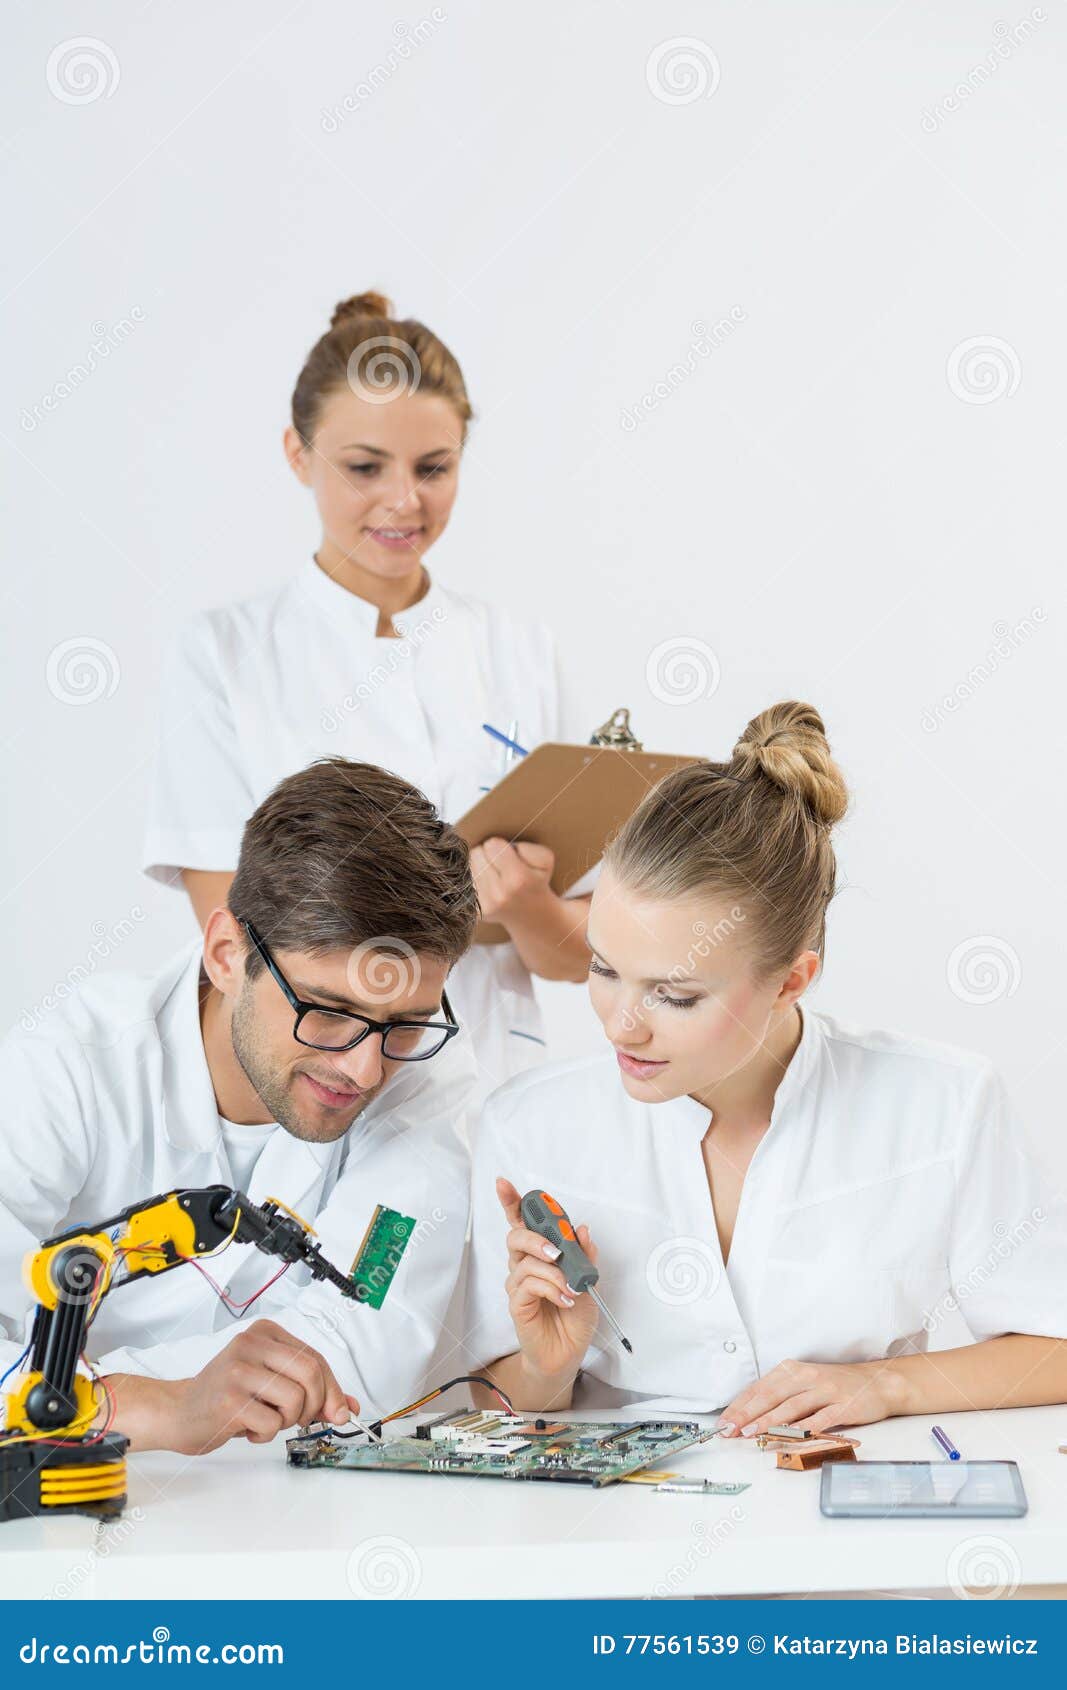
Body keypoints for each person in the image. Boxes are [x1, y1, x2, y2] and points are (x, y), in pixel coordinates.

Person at [464, 702, 1067, 1432]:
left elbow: (1054, 1343)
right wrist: (544, 1367)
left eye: (674, 994)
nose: (621, 1023)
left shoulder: (943, 1104)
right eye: (603, 967)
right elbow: (489, 1396)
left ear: (791, 979)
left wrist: (885, 1386)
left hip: (847, 1520)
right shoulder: (527, 1126)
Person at [142, 290, 590, 1104]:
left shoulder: (521, 652)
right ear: (296, 454)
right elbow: (244, 940)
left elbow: (581, 954)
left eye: (433, 468)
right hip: (323, 1077)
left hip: (499, 1078)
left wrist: (526, 910)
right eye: (363, 467)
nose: (402, 502)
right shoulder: (223, 653)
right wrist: (471, 912)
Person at [0, 757, 479, 1454]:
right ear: (227, 953)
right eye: (328, 1010)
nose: (365, 1067)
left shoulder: (425, 1080)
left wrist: (84, 1391)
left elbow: (364, 1343)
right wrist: (142, 1405)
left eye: (403, 1021)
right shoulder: (66, 1068)